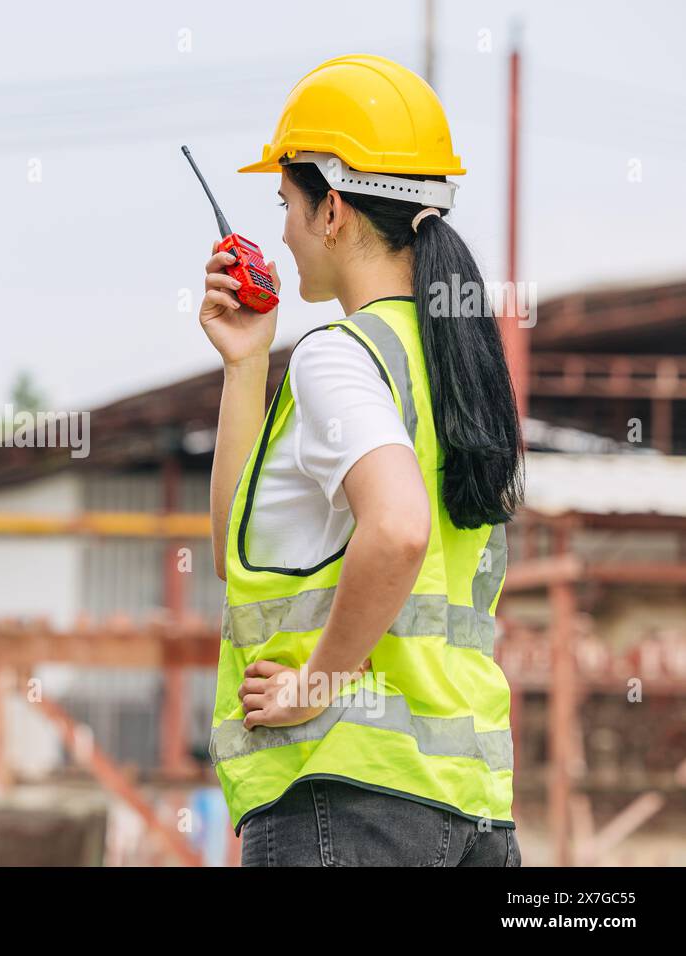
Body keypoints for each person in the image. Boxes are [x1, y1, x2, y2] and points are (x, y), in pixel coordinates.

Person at [200, 54, 524, 867]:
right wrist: (246, 363)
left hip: (346, 801)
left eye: (286, 203)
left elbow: (400, 527)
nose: (279, 230)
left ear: (333, 208)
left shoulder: (339, 357)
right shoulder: (456, 367)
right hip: (474, 811)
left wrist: (316, 680)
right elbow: (233, 554)